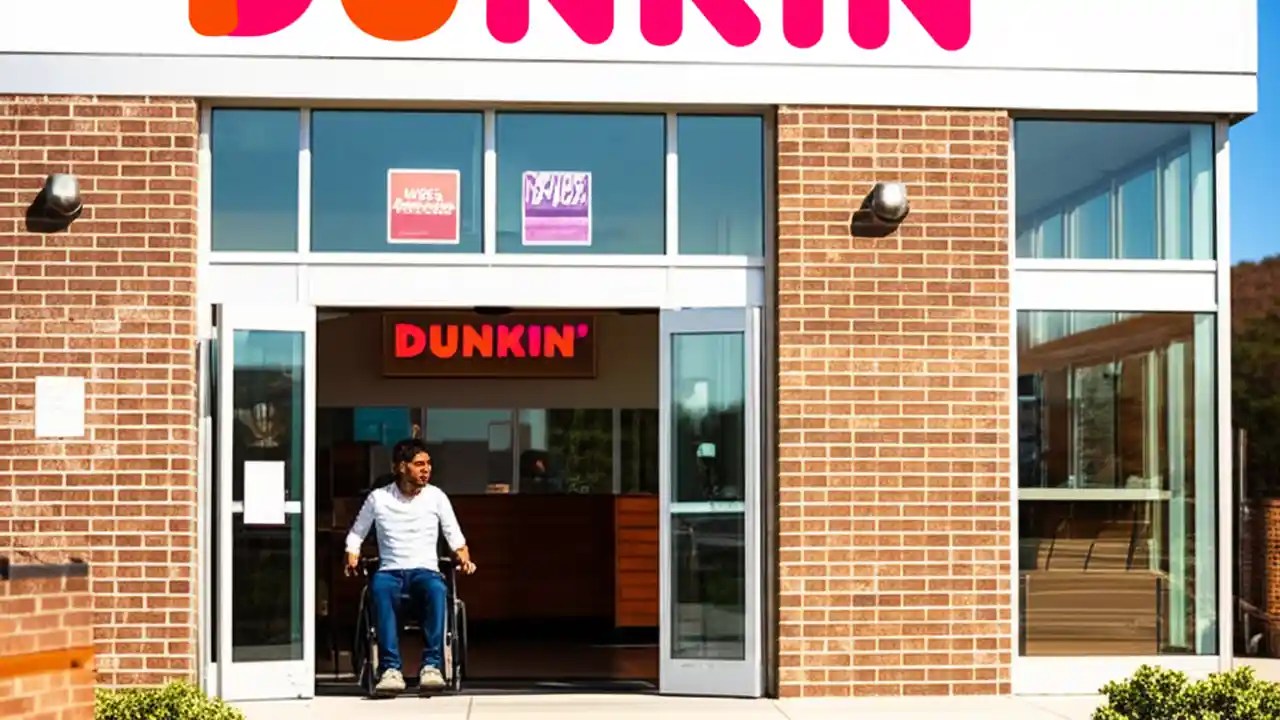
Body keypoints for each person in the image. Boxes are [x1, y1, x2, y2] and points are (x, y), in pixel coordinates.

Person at [345, 438, 477, 696]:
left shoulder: (436, 497)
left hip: (425, 571)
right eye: (419, 464)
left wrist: (464, 558)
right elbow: (356, 533)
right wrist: (352, 553)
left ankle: (432, 666)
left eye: (428, 464)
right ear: (401, 467)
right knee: (379, 589)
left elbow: (456, 538)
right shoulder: (378, 498)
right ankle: (390, 670)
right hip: (390, 571)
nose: (426, 469)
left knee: (437, 590)